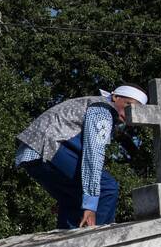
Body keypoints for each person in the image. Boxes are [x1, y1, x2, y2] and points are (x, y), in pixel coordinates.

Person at [15, 85, 148, 229]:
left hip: (30, 154)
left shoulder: (92, 104)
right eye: (128, 105)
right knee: (106, 188)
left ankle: (67, 242)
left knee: (74, 200)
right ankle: (98, 239)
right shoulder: (103, 111)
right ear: (115, 97)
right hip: (47, 147)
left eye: (134, 110)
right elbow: (93, 154)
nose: (129, 112)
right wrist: (91, 206)